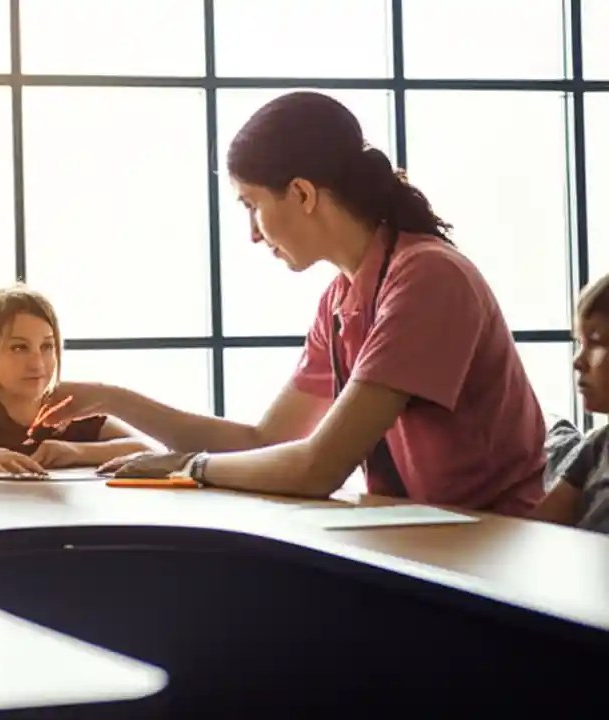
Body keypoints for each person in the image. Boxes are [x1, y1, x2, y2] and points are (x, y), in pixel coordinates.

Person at [33, 92, 546, 515]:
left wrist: (187, 467)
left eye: (252, 206)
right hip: (427, 538)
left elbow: (317, 468)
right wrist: (114, 398)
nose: (253, 235)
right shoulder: (341, 299)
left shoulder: (428, 278)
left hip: (497, 545)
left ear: (302, 193)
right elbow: (265, 439)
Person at [0, 286, 150, 476]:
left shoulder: (72, 413)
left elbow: (148, 450)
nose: (37, 363)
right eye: (19, 347)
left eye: (47, 346)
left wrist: (76, 452)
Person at [531, 273, 609, 531]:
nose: (577, 361)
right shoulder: (597, 446)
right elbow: (538, 534)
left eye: (595, 342)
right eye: (580, 342)